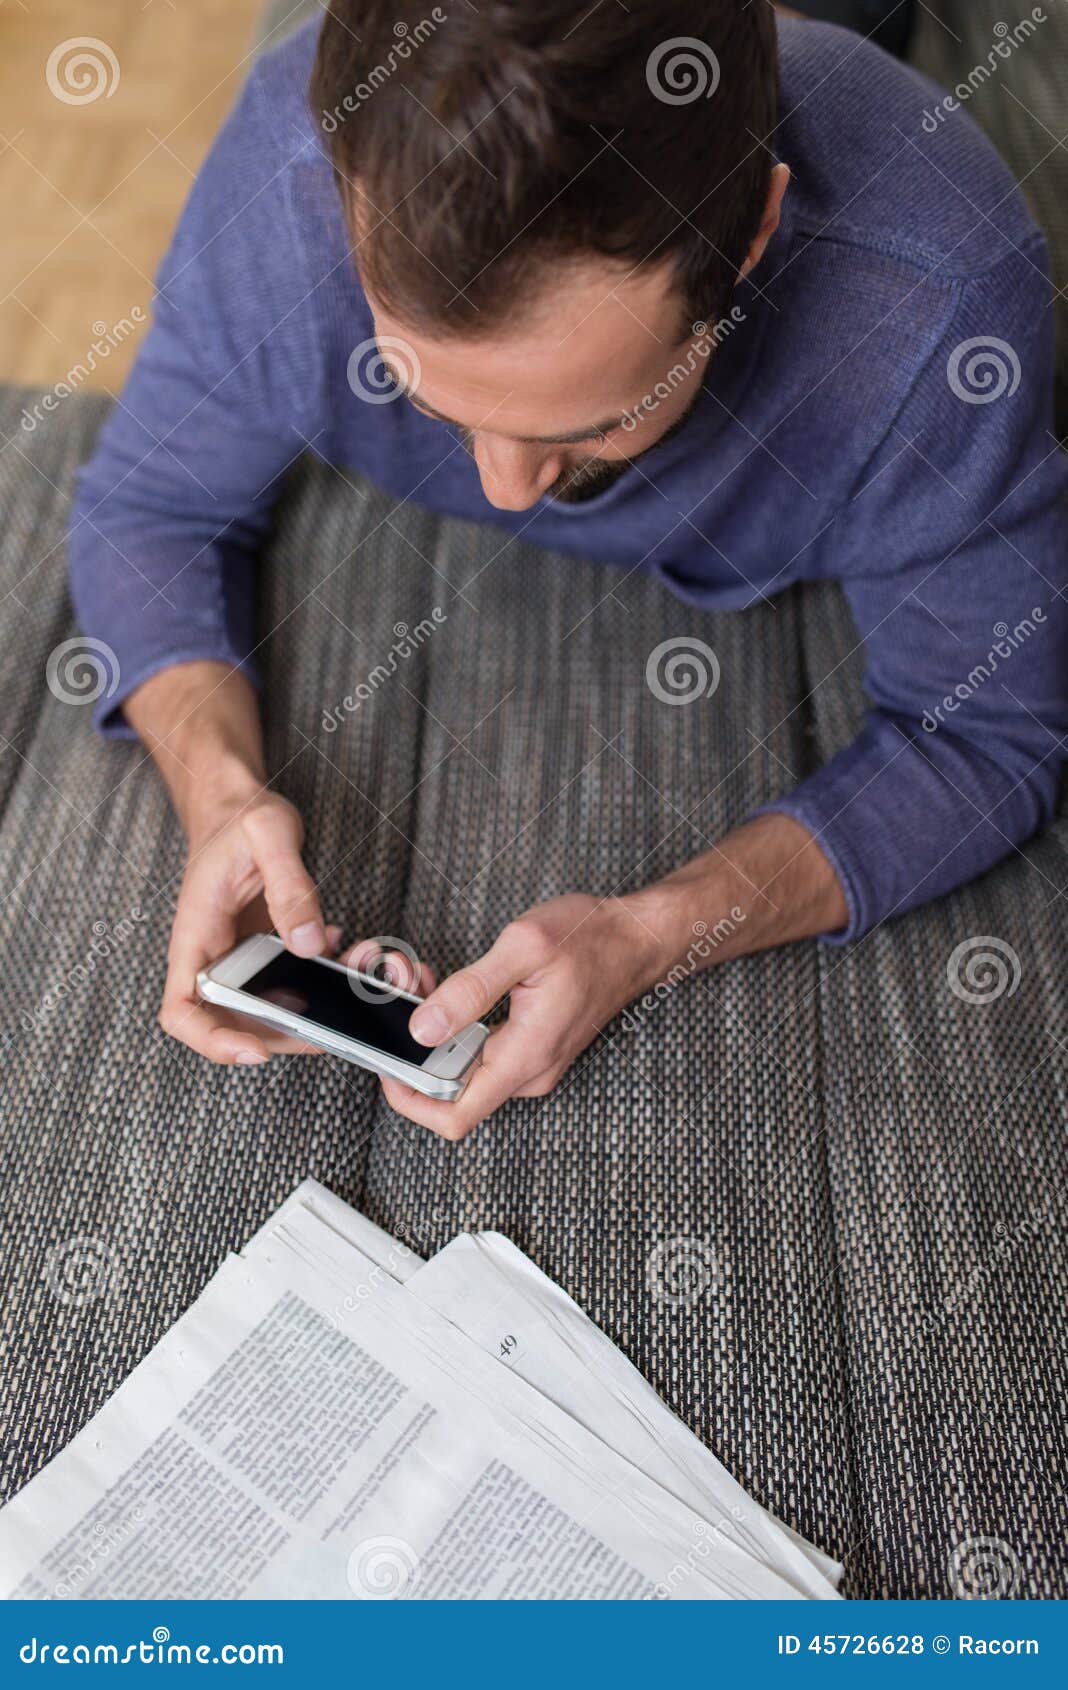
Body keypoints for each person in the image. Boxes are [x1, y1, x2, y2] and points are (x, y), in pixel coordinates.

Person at [70, 2, 1068, 1137]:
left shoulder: (934, 303)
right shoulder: (284, 186)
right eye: (434, 397)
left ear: (754, 235)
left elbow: (988, 735)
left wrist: (652, 932)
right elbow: (148, 508)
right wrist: (217, 790)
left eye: (598, 423)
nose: (504, 488)